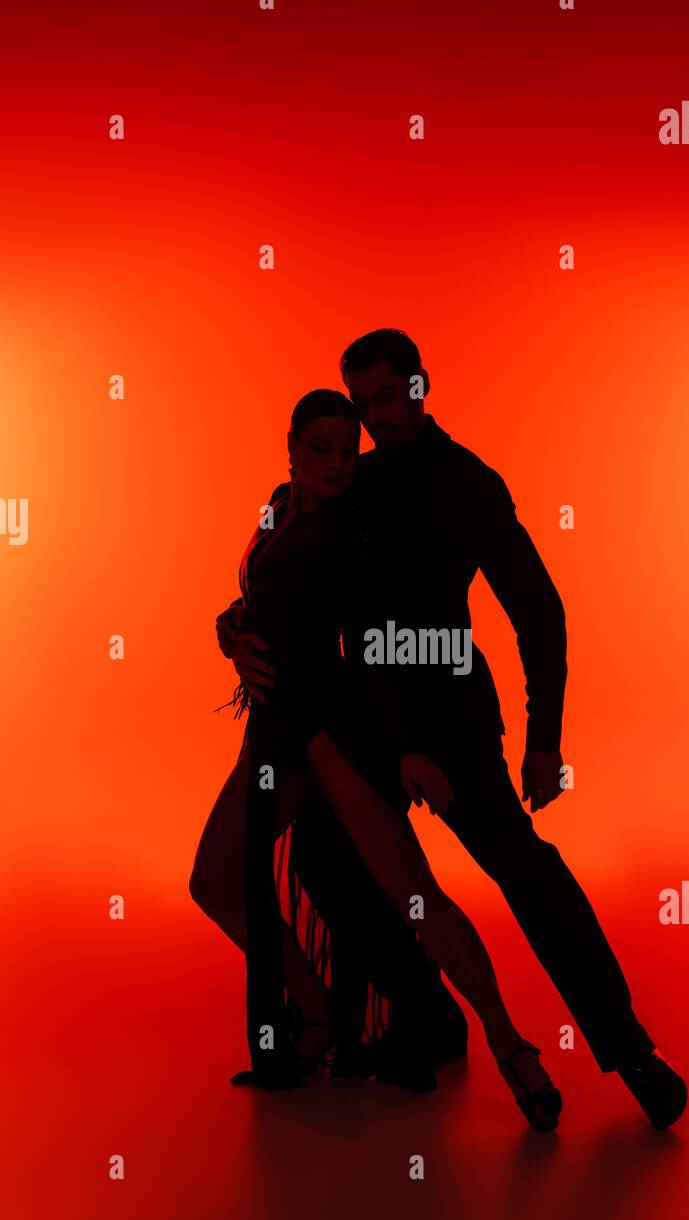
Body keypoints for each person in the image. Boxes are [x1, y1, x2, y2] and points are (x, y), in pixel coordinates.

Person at [228, 333, 687, 1129]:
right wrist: (231, 623)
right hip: (364, 717)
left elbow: (537, 610)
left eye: (387, 397)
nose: (377, 417)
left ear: (419, 384)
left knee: (522, 867)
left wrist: (545, 737)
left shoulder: (469, 483)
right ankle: (424, 1010)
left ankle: (629, 1049)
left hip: (447, 720)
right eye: (363, 404)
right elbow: (278, 550)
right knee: (324, 862)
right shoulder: (352, 480)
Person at [190, 388, 564, 1131]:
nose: (335, 463)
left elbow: (371, 642)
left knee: (413, 894)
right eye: (319, 448)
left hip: (332, 725)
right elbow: (250, 593)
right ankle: (320, 1016)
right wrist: (228, 628)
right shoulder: (274, 507)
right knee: (214, 881)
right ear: (291, 446)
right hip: (271, 724)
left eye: (346, 449)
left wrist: (408, 746)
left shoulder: (348, 528)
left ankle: (509, 1042)